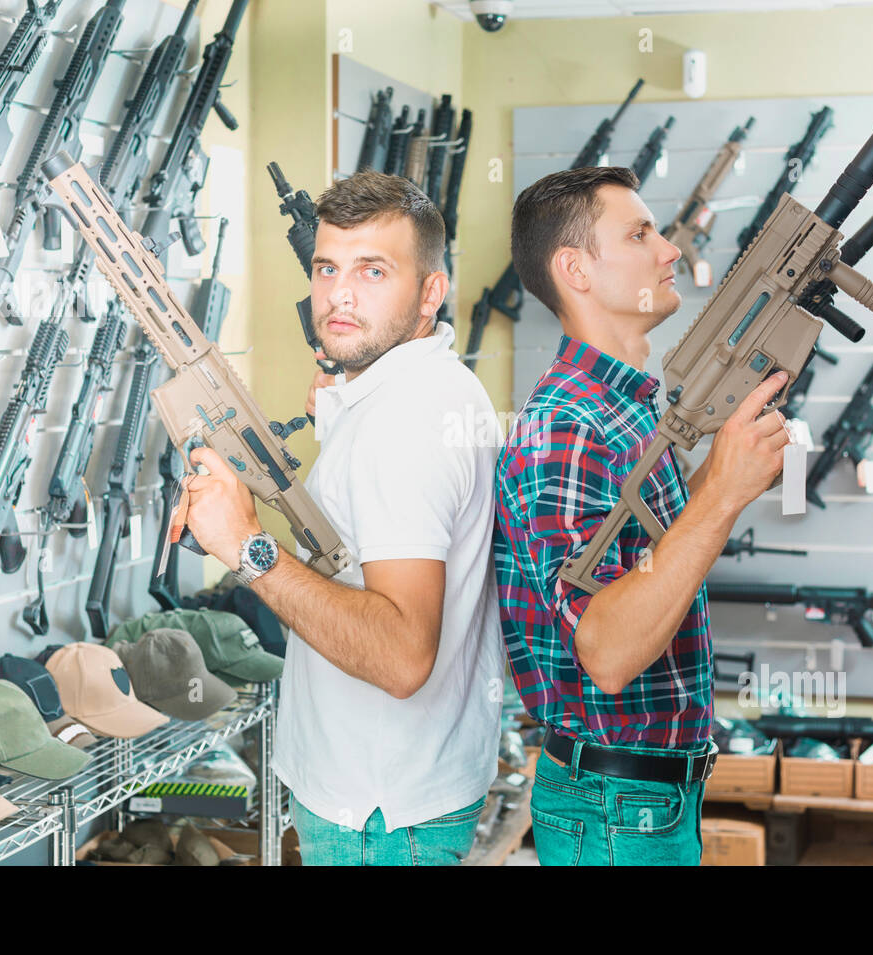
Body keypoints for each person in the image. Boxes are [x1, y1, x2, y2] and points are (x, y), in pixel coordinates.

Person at [183, 171, 504, 866]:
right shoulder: (431, 387)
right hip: (400, 795)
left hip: (377, 816)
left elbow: (399, 655)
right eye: (327, 267)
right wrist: (345, 418)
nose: (340, 295)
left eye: (373, 270)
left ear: (429, 293)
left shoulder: (405, 422)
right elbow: (364, 539)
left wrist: (248, 546)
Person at [493, 165, 791, 866]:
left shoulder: (625, 408)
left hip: (642, 802)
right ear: (577, 270)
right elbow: (608, 651)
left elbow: (646, 568)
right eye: (640, 233)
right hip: (614, 807)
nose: (669, 251)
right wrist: (720, 495)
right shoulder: (566, 428)